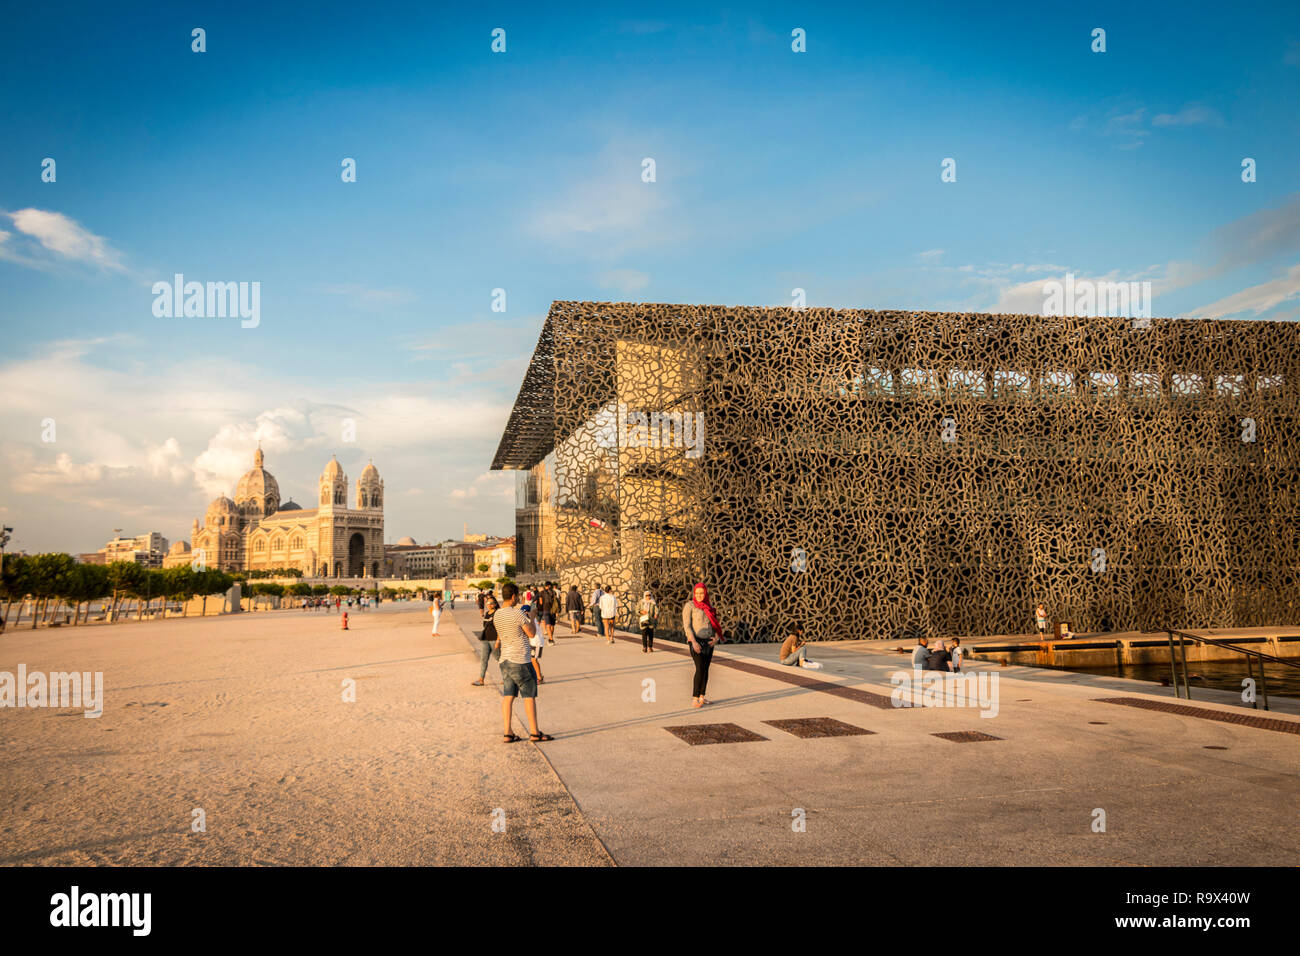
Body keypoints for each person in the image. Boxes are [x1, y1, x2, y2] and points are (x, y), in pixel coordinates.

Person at [493, 583, 552, 742]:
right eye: (517, 596)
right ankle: (534, 732)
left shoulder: (497, 614)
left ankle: (508, 732)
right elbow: (531, 633)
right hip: (520, 660)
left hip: (504, 660)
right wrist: (532, 616)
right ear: (513, 596)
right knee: (528, 695)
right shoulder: (518, 614)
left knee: (508, 696)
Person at [683, 583, 723, 707]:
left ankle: (702, 696)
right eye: (697, 593)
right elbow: (687, 625)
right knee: (699, 668)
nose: (699, 595)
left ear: (705, 593)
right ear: (694, 594)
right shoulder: (690, 606)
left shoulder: (709, 607)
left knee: (706, 670)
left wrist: (716, 638)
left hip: (708, 643)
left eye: (702, 593)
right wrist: (693, 642)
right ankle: (695, 698)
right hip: (696, 641)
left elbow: (715, 624)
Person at [472, 595, 501, 686]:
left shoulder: (497, 613)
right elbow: (485, 626)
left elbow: (500, 628)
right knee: (484, 659)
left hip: (494, 640)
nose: (489, 605)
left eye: (491, 603)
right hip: (485, 639)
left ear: (495, 604)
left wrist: (498, 641)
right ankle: (481, 679)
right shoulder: (487, 613)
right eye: (488, 603)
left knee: (500, 659)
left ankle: (507, 677)